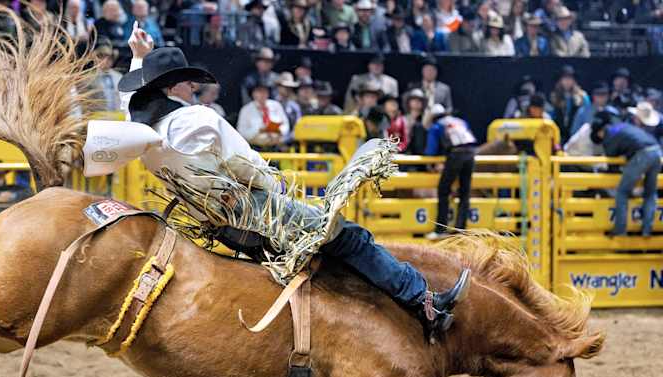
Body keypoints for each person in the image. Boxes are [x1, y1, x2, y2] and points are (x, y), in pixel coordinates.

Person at [87, 28, 471, 339]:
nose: (193, 89)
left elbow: (130, 102)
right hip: (255, 215)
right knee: (350, 238)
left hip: (219, 225)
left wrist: (139, 55)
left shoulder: (140, 131)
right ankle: (423, 301)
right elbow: (248, 166)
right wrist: (280, 191)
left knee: (325, 252)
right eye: (187, 84)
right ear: (174, 88)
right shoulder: (199, 120)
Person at [591, 111, 660, 237]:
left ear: (600, 133)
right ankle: (647, 230)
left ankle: (620, 230)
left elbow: (612, 166)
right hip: (657, 152)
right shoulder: (621, 126)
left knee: (622, 192)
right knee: (650, 193)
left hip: (642, 154)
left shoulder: (608, 137)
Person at [423, 105, 478, 240]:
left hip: (455, 154)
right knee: (465, 192)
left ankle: (440, 228)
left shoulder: (437, 126)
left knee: (443, 190)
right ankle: (461, 230)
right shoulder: (460, 121)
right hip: (471, 153)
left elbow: (430, 150)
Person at [237, 81, 290, 148]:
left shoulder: (276, 105)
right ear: (253, 94)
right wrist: (259, 130)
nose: (262, 94)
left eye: (265, 91)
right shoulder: (246, 110)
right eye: (259, 91)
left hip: (276, 145)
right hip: (255, 148)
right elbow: (242, 131)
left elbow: (285, 124)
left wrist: (280, 130)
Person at [550, 64, 591, 142]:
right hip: (558, 135)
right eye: (564, 78)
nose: (567, 81)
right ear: (560, 80)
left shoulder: (582, 96)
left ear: (574, 80)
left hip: (577, 136)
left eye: (569, 78)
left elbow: (586, 116)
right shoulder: (554, 96)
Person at [90, 42, 123, 112]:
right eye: (101, 58)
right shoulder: (88, 79)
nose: (105, 61)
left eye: (109, 58)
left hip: (118, 116)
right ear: (96, 59)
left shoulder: (119, 77)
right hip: (97, 117)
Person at [402, 88, 429, 156]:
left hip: (422, 154)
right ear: (408, 102)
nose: (417, 101)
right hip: (405, 153)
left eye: (420, 100)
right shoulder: (402, 119)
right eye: (414, 99)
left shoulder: (427, 119)